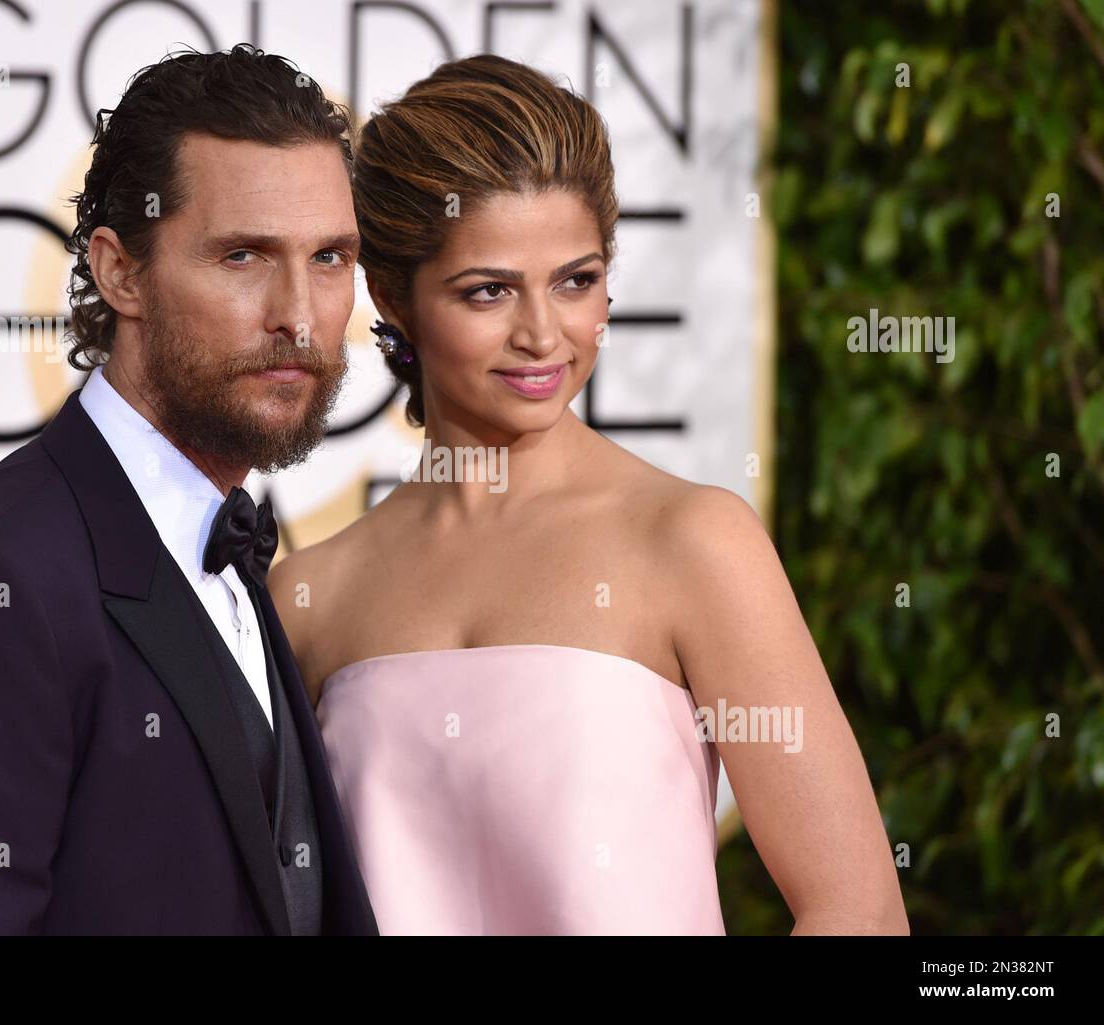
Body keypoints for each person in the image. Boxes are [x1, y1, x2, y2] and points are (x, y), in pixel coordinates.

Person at [268, 54, 909, 935]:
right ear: (392, 296)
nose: (543, 334)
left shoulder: (693, 541)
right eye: (488, 291)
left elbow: (858, 910)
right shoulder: (311, 596)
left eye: (577, 280)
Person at [0, 44, 377, 936]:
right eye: (243, 255)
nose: (299, 314)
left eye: (329, 257)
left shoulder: (229, 553)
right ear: (121, 271)